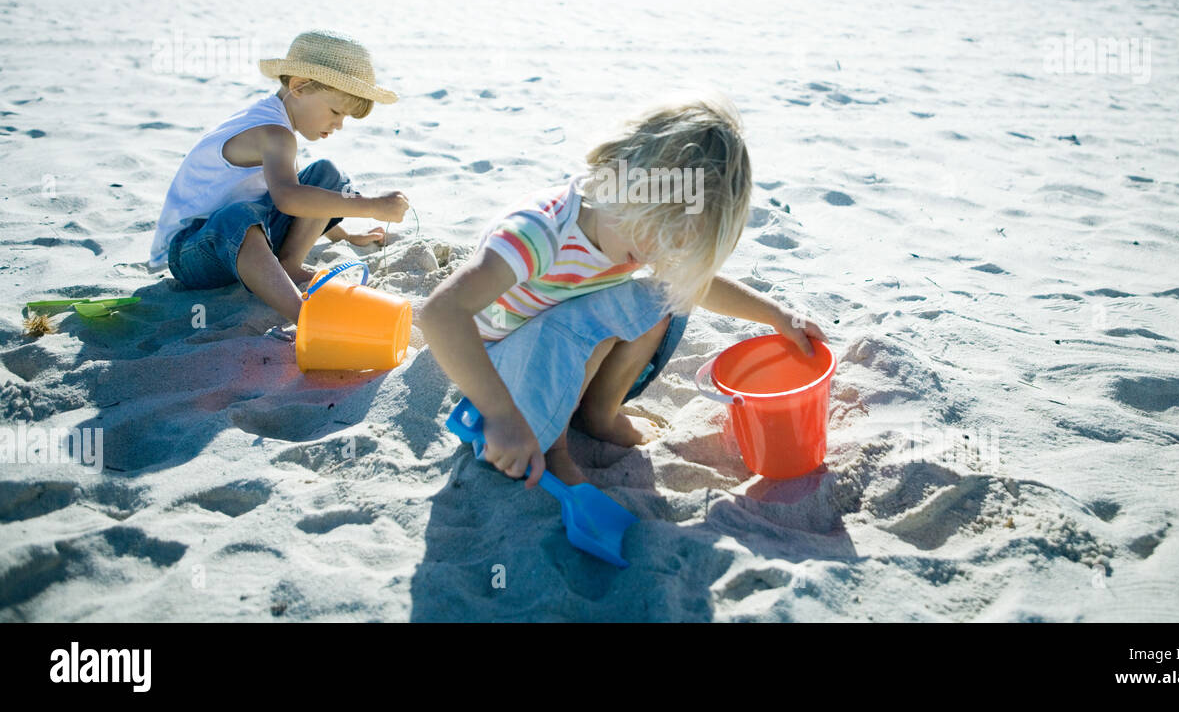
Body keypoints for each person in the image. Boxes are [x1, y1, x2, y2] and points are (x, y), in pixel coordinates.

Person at [420, 94, 825, 486]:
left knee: (662, 296)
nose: (655, 251)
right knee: (590, 320)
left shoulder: (632, 222)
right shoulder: (540, 234)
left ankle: (598, 414)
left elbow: (696, 285)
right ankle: (557, 447)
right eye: (654, 233)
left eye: (673, 242)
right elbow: (441, 314)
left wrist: (776, 315)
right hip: (496, 373)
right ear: (619, 171)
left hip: (559, 345)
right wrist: (502, 414)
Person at [148, 30, 408, 323]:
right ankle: (303, 317)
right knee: (239, 215)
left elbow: (300, 196)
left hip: (246, 235)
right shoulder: (274, 133)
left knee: (327, 174)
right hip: (193, 251)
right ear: (298, 86)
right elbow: (288, 199)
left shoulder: (279, 124)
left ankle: (288, 264)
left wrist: (345, 235)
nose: (339, 125)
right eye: (336, 111)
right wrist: (372, 205)